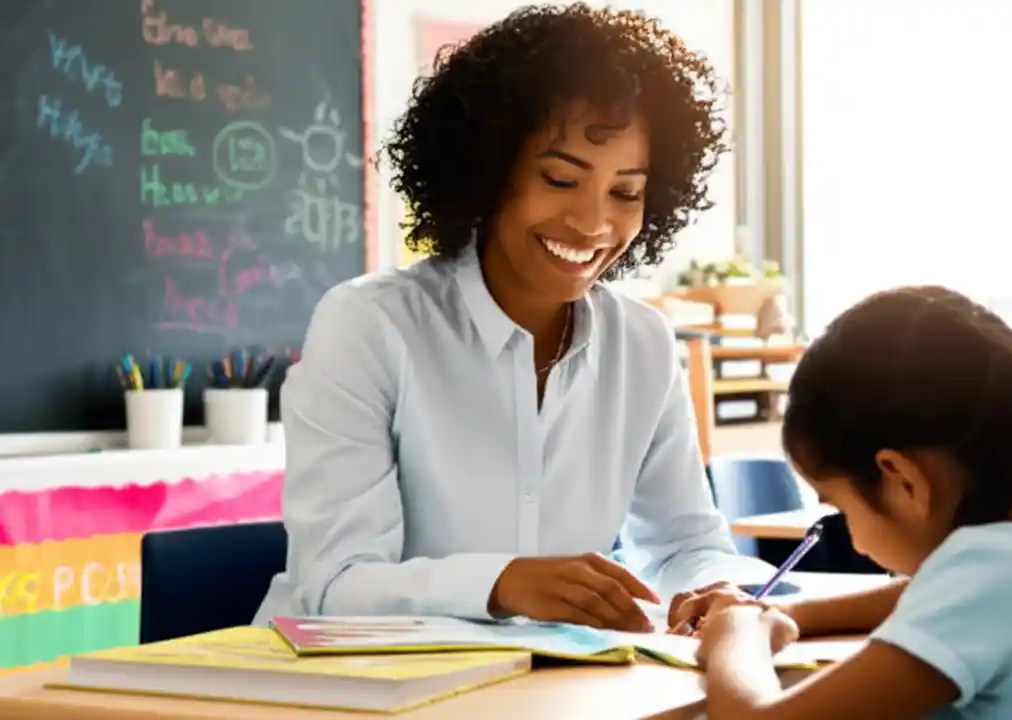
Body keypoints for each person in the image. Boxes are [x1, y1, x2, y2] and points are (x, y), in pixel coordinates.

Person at [252, 3, 773, 632]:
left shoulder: (643, 344)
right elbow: (336, 584)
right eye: (559, 179)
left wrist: (714, 588)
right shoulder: (369, 326)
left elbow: (683, 543)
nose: (592, 222)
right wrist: (503, 583)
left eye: (625, 192)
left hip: (541, 677)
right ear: (490, 170)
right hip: (344, 678)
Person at [671, 286, 1012, 719]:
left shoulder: (997, 575)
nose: (856, 543)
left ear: (903, 479)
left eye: (841, 510)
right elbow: (936, 593)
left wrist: (736, 637)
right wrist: (788, 614)